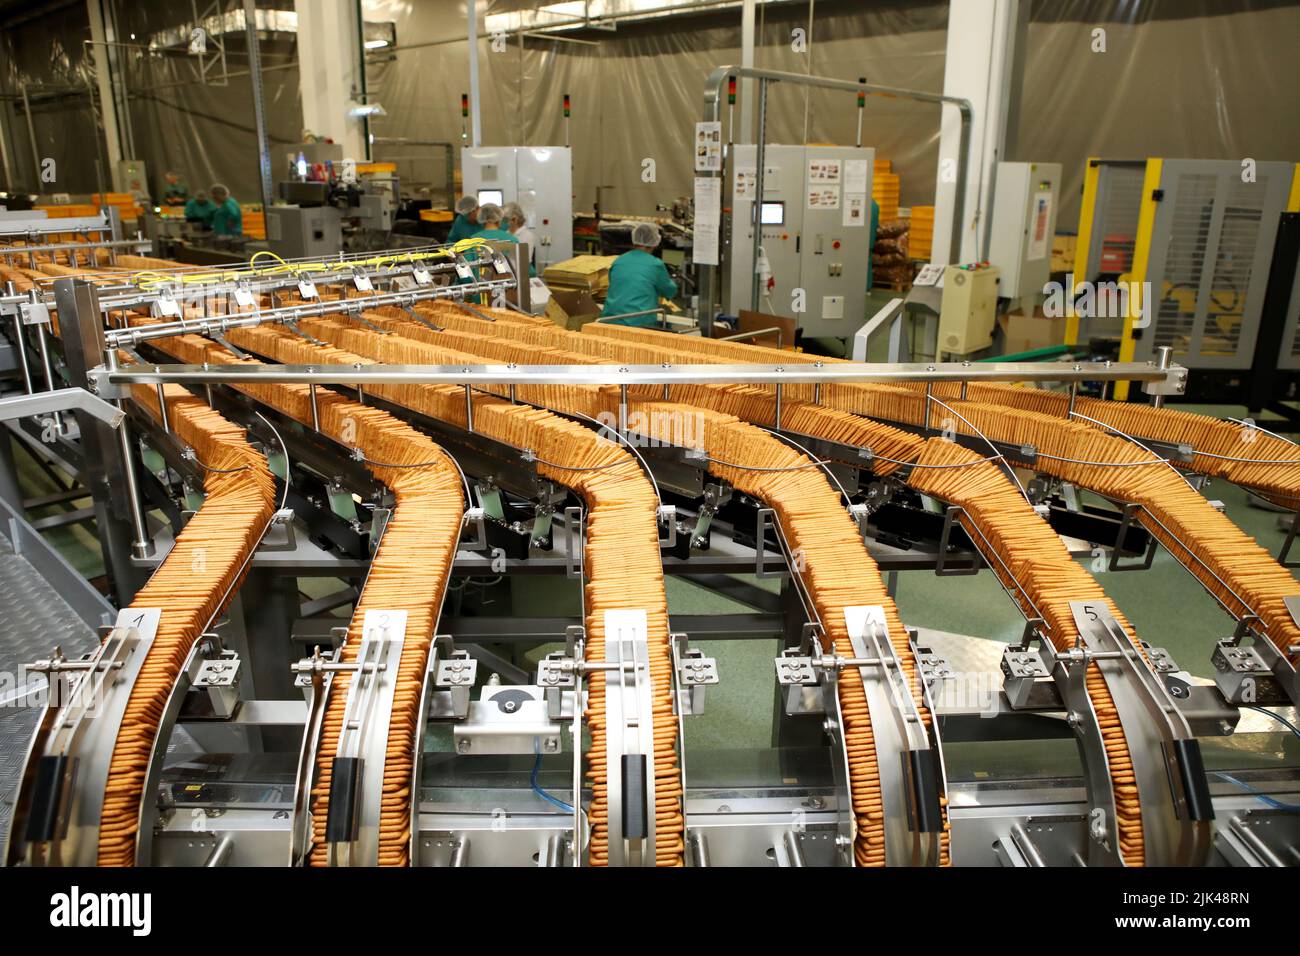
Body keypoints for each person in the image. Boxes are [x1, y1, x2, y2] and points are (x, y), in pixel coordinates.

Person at [600, 221, 677, 326]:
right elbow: (670, 290)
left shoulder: (619, 261)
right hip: (638, 322)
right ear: (655, 242)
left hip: (610, 319)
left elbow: (617, 284)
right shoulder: (655, 264)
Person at [501, 202, 538, 276]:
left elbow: (525, 261)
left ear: (515, 219)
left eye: (506, 219)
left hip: (521, 274)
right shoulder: (505, 234)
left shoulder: (527, 235)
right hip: (506, 274)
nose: (503, 222)